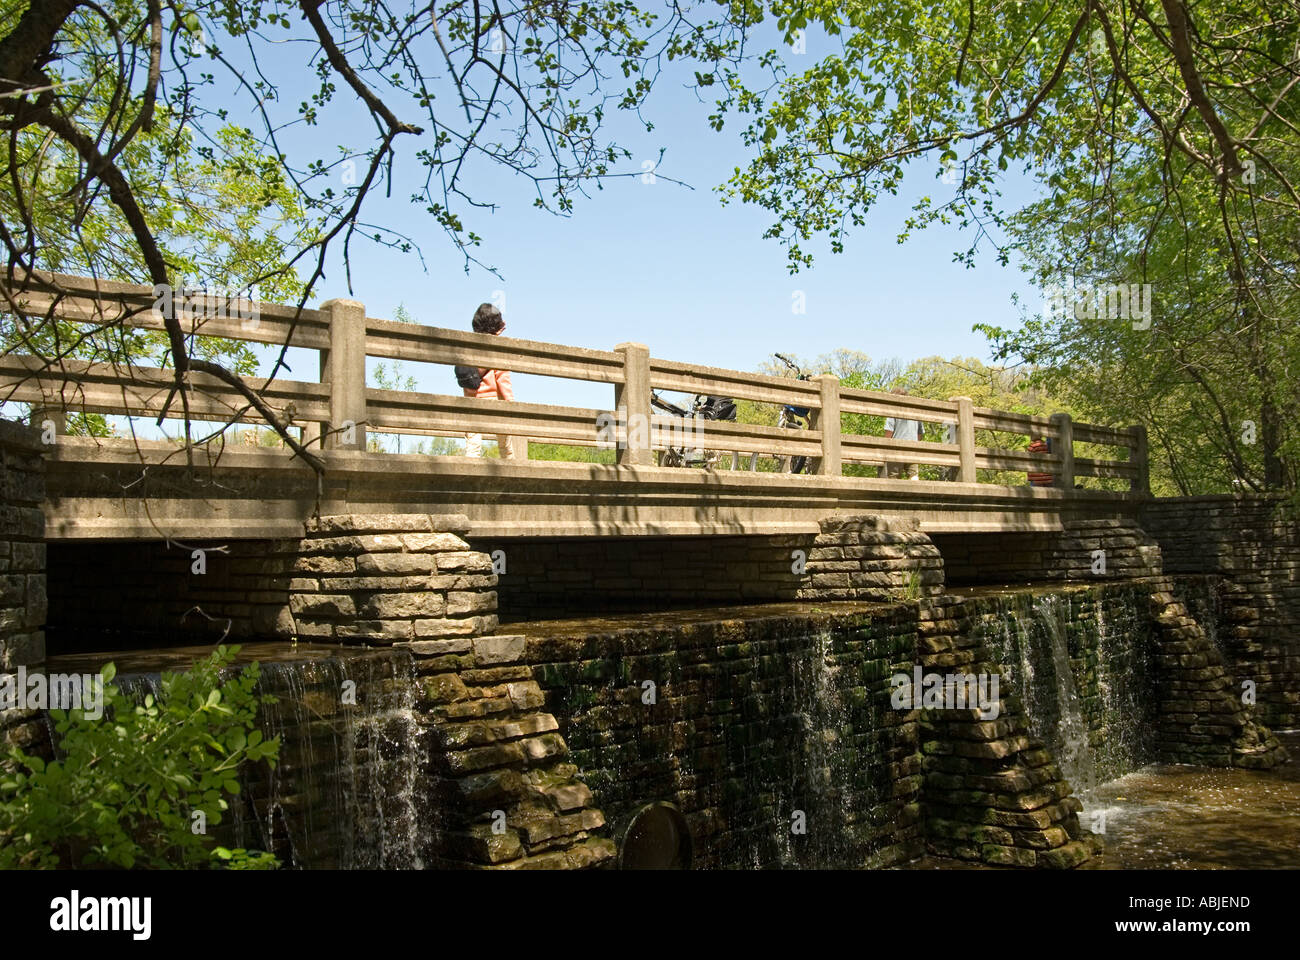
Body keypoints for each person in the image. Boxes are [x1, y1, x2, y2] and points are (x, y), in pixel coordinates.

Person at [461, 303, 518, 460]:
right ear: (496, 325)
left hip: (473, 402)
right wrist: (511, 405)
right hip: (495, 403)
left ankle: (469, 475)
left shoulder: (469, 347)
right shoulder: (497, 350)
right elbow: (503, 380)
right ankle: (511, 476)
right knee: (505, 447)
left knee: (472, 446)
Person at [884, 387, 921, 480]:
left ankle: (893, 494)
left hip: (896, 449)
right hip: (912, 449)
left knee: (893, 476)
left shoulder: (893, 411)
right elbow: (919, 435)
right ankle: (915, 493)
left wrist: (884, 447)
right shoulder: (915, 412)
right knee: (913, 475)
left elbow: (889, 433)